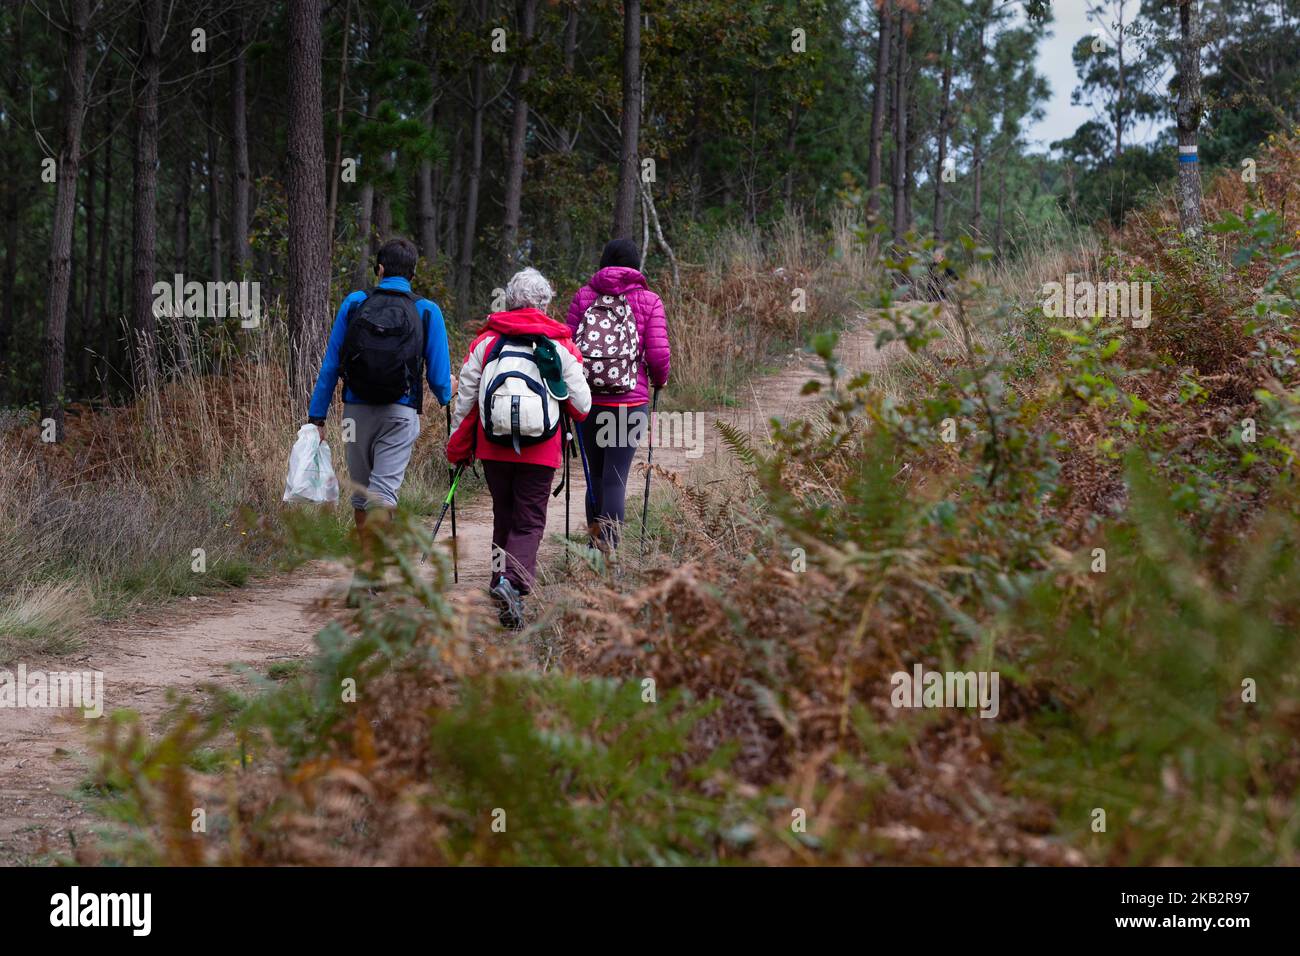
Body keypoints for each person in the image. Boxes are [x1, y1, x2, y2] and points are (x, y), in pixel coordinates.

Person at [306, 237, 452, 600]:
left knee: (361, 494)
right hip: (400, 414)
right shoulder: (427, 311)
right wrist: (452, 406)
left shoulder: (355, 303)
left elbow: (331, 363)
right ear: (414, 273)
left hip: (355, 412)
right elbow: (438, 376)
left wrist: (316, 415)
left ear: (380, 269)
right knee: (383, 495)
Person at [446, 268, 591, 628]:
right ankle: (513, 583)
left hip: (493, 446)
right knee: (528, 521)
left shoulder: (486, 343)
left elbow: (465, 401)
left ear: (510, 301)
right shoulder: (559, 345)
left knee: (503, 515)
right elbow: (583, 405)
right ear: (545, 303)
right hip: (540, 449)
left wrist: (459, 447)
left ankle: (499, 580)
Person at [565, 238, 670, 551]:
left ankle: (595, 546)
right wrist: (659, 380)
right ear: (635, 265)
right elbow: (659, 355)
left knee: (595, 477)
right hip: (630, 401)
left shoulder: (584, 296)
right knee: (615, 480)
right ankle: (609, 551)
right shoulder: (649, 300)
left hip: (588, 402)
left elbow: (568, 347)